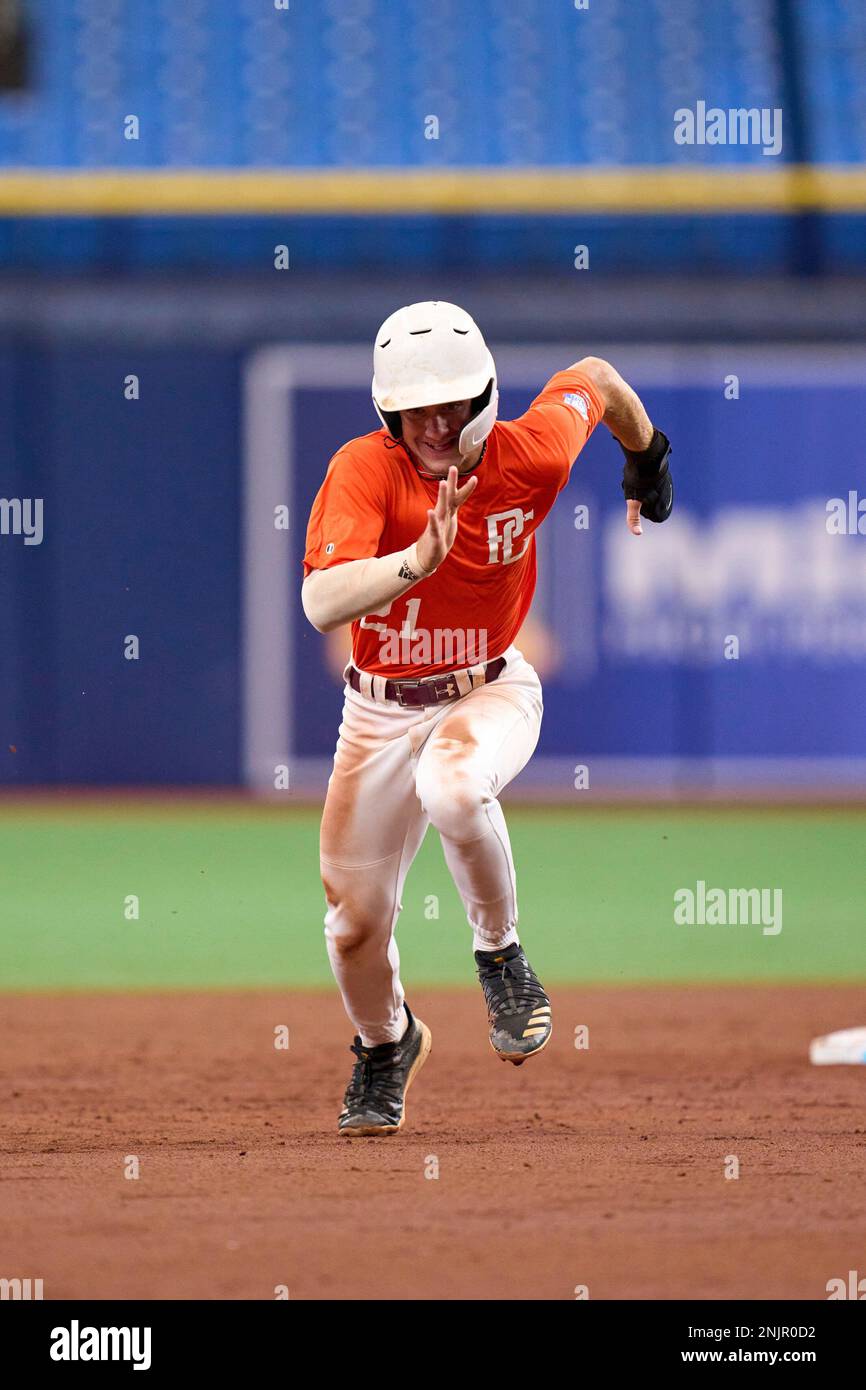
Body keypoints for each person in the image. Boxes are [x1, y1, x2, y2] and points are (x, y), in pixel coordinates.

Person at [302, 301, 672, 1136]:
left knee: (456, 784)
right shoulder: (364, 470)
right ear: (386, 410)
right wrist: (411, 563)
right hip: (379, 710)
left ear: (486, 397)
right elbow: (321, 601)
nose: (436, 424)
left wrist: (647, 456)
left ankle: (501, 954)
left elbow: (599, 380)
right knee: (353, 926)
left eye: (454, 402)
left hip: (491, 687)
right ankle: (386, 1043)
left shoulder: (529, 454)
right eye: (415, 407)